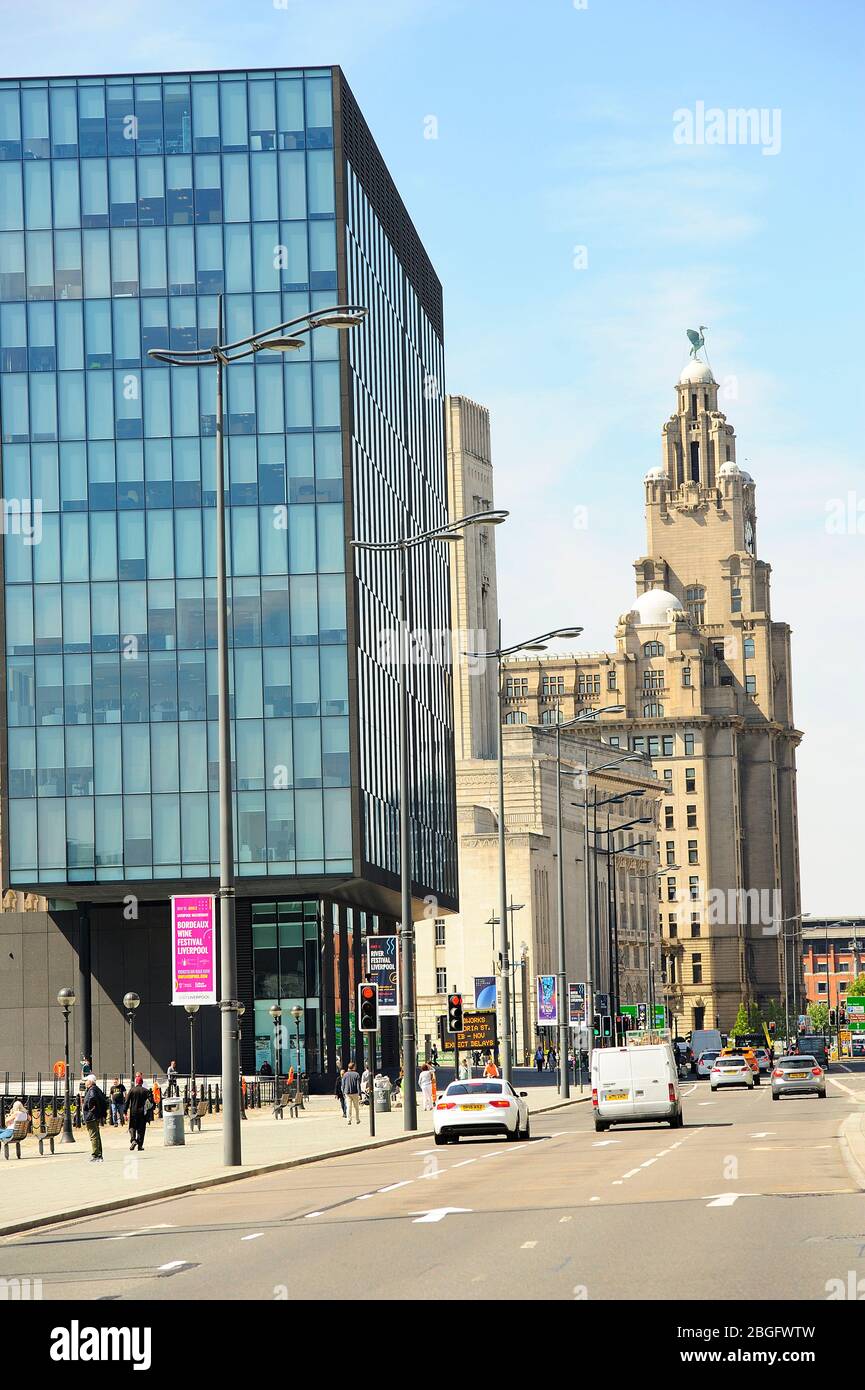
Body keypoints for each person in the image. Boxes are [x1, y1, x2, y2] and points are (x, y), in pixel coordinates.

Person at [82, 1074, 108, 1162]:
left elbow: (92, 1098)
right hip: (95, 1115)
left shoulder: (92, 1090)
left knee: (93, 1136)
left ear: (90, 1081)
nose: (85, 1082)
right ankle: (99, 1154)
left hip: (91, 1116)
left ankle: (96, 1155)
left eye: (86, 1081)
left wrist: (90, 1108)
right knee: (96, 1136)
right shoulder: (97, 1089)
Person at [126, 1073, 154, 1151]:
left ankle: (133, 1139)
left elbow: (127, 1101)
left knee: (132, 1127)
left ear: (136, 1082)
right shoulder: (146, 1091)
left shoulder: (132, 1090)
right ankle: (140, 1145)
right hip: (142, 1112)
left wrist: (125, 1111)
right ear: (142, 1083)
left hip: (133, 1112)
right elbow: (152, 1101)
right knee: (141, 1129)